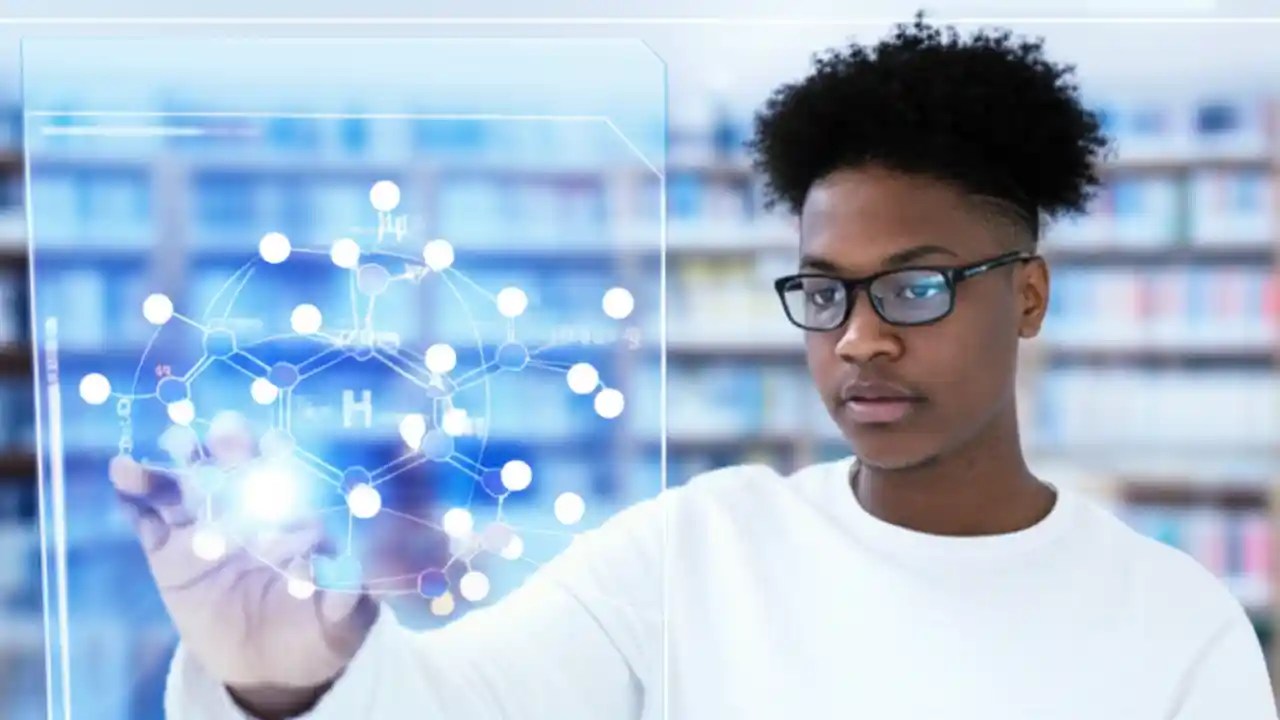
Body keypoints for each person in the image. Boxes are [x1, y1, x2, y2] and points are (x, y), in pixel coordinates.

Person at [110, 15, 1279, 719]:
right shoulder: (699, 550)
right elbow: (461, 708)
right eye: (822, 292)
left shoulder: (1172, 624)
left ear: (1025, 294)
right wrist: (285, 684)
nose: (858, 338)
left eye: (914, 287)